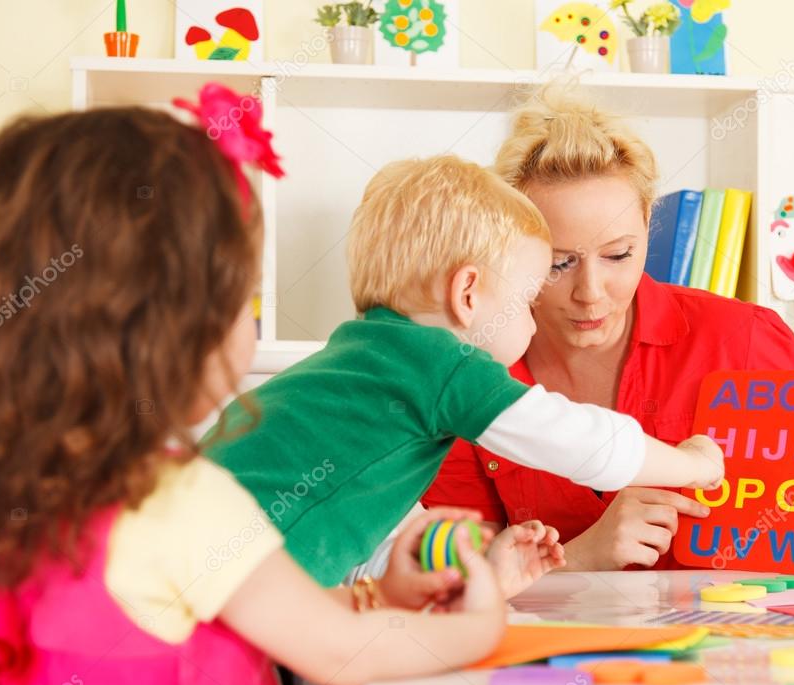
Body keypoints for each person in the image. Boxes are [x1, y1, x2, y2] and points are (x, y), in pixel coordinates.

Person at [0, 88, 509, 685]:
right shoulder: (179, 500)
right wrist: (481, 628)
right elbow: (335, 652)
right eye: (245, 300)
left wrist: (374, 596)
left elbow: (230, 604)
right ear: (176, 333)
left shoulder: (19, 482)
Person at [423, 87, 794, 571]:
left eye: (618, 255)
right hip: (547, 667)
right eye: (559, 264)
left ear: (648, 224)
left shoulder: (742, 339)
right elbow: (448, 574)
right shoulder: (470, 367)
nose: (591, 292)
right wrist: (585, 554)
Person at [202, 153, 724, 599]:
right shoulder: (443, 366)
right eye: (526, 299)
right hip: (222, 590)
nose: (532, 317)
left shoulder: (361, 362)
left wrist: (487, 574)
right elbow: (580, 442)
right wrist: (690, 464)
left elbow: (376, 547)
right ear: (468, 295)